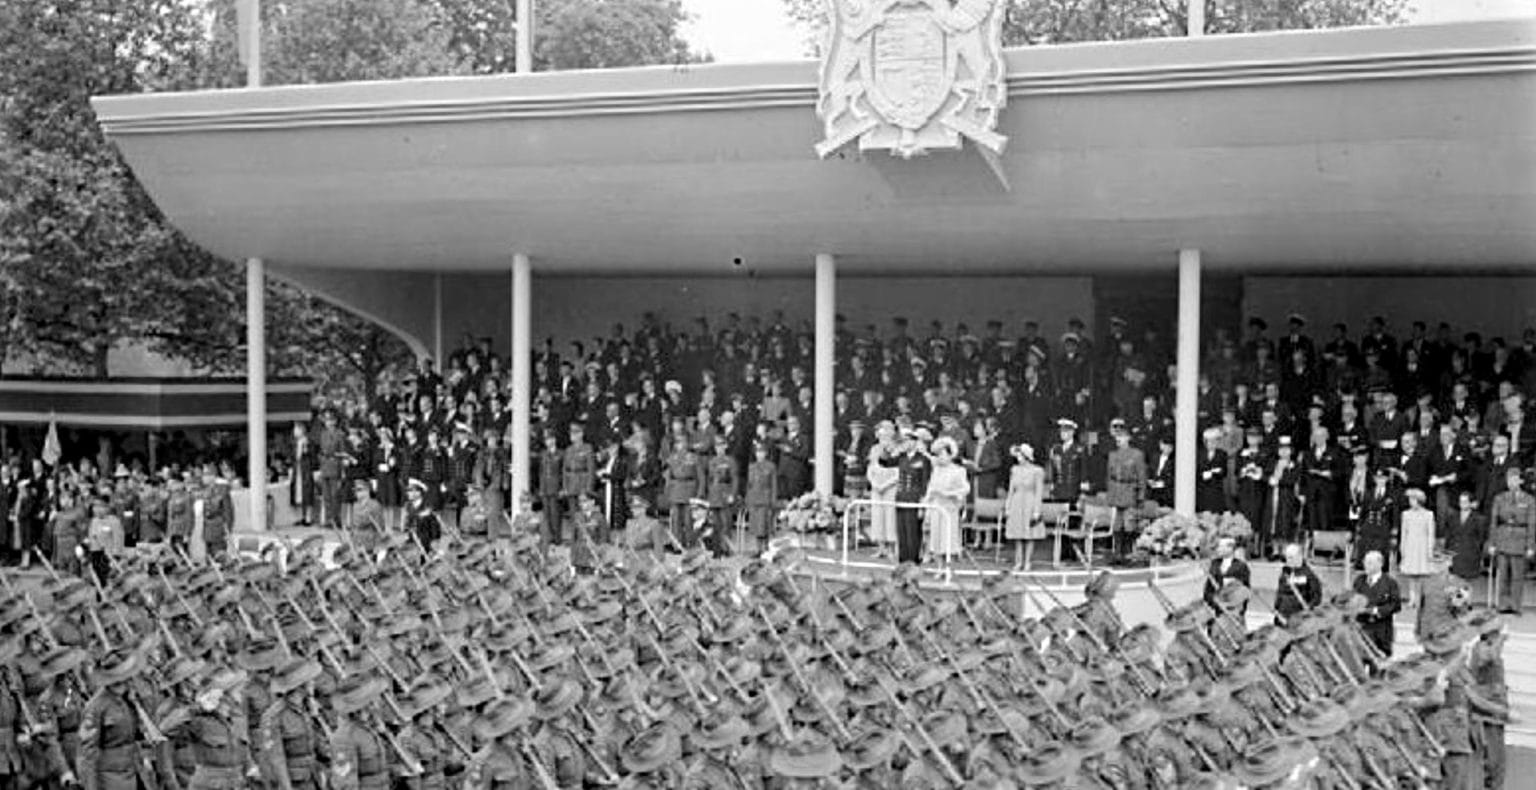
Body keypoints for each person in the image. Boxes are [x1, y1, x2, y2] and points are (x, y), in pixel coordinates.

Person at [1488, 465, 1535, 613]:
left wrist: (1530, 546)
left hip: (1520, 539)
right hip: (1503, 538)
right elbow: (1494, 522)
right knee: (1502, 575)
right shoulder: (1500, 498)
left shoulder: (1529, 500)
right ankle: (1502, 605)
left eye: (1514, 479)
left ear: (1520, 481)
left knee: (1517, 576)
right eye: (1509, 479)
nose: (1511, 483)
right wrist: (1492, 543)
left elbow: (1532, 524)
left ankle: (1515, 605)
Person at [883, 428, 932, 566]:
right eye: (905, 441)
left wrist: (923, 503)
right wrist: (893, 445)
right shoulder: (901, 457)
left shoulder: (923, 459)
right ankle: (903, 560)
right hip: (901, 496)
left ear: (915, 442)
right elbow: (884, 462)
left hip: (914, 498)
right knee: (902, 530)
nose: (907, 443)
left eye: (910, 440)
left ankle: (913, 560)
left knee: (913, 531)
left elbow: (925, 482)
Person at [923, 437, 969, 573]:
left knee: (948, 540)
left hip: (949, 509)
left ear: (950, 455)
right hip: (936, 508)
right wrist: (927, 505)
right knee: (936, 540)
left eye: (942, 454)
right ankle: (939, 568)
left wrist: (950, 493)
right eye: (938, 455)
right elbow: (930, 488)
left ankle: (949, 568)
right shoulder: (936, 470)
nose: (940, 457)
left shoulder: (959, 470)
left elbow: (965, 489)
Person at [1003, 443, 1046, 571]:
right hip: (1017, 502)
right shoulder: (1014, 470)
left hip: (1030, 502)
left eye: (1020, 455)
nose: (1018, 458)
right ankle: (1018, 561)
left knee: (1030, 533)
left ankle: (1028, 561)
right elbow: (1011, 490)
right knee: (1017, 534)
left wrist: (1037, 510)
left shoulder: (1037, 471)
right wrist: (1008, 506)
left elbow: (1039, 491)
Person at [1353, 550, 1402, 659]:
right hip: (1362, 627)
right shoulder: (1359, 581)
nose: (1366, 565)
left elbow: (1396, 605)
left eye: (1370, 562)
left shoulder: (1390, 583)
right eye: (1365, 562)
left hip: (1381, 630)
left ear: (1380, 564)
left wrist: (1376, 611)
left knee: (1378, 664)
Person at [866, 422, 899, 558]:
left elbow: (898, 471)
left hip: (890, 487)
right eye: (881, 431)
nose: (883, 434)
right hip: (876, 487)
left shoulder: (897, 449)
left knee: (890, 517)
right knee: (878, 516)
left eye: (886, 431)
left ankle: (891, 548)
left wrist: (886, 484)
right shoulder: (874, 449)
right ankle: (881, 547)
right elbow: (871, 467)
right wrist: (873, 482)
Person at [1398, 488, 1436, 608]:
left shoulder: (1428, 514)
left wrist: (1430, 549)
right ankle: (1412, 598)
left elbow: (1431, 533)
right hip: (1410, 545)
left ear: (1419, 500)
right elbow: (1404, 532)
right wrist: (1402, 547)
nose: (1410, 502)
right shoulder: (1406, 514)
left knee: (1420, 575)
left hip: (1422, 546)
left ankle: (1419, 599)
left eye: (1413, 499)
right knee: (1411, 575)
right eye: (1410, 499)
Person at [1273, 542, 1323, 626]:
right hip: (1282, 617)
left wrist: (1306, 612)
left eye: (1291, 557)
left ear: (1299, 557)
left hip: (1299, 619)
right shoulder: (1285, 573)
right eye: (1287, 557)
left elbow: (1316, 597)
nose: (1288, 560)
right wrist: (1277, 608)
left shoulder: (1309, 575)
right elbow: (1280, 592)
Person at [1445, 490, 1487, 582]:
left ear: (1470, 503)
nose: (1462, 504)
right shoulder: (1453, 517)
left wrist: (1480, 556)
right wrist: (1447, 556)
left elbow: (1481, 539)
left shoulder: (1479, 519)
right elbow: (1449, 537)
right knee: (1455, 586)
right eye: (1460, 502)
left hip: (1470, 557)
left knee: (1467, 588)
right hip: (1455, 556)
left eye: (1465, 502)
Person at [743, 441, 778, 554]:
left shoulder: (771, 466)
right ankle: (758, 549)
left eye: (762, 452)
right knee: (755, 526)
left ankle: (766, 548)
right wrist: (747, 499)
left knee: (764, 526)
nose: (760, 454)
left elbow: (773, 484)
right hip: (754, 498)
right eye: (758, 452)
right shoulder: (751, 467)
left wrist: (773, 500)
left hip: (765, 498)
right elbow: (749, 485)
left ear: (766, 453)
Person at [1203, 536, 1250, 612]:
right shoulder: (1214, 563)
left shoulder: (1241, 566)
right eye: (1218, 546)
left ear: (1230, 548)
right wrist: (1212, 602)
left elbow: (1245, 590)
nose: (1218, 549)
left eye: (1221, 546)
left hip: (1233, 609)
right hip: (1214, 607)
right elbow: (1208, 587)